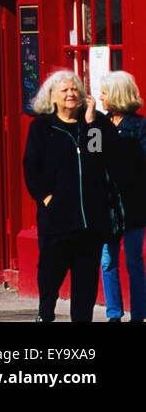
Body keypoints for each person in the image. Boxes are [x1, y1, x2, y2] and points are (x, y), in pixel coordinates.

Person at [24, 69, 122, 322]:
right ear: (52, 96)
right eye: (65, 90)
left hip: (90, 221)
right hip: (57, 220)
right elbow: (31, 169)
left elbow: (99, 158)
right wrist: (47, 199)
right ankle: (45, 314)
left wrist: (91, 122)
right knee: (50, 275)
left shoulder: (92, 123)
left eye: (75, 88)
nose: (71, 93)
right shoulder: (42, 128)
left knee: (86, 283)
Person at [98, 71, 146, 322]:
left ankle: (139, 315)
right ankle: (114, 314)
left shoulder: (140, 126)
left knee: (134, 261)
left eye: (104, 93)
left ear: (116, 95)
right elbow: (91, 158)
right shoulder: (99, 124)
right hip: (107, 206)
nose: (100, 97)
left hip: (133, 204)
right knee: (107, 261)